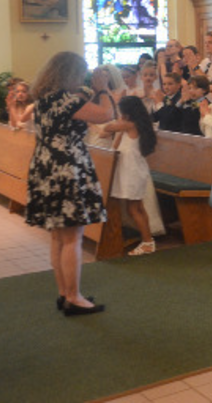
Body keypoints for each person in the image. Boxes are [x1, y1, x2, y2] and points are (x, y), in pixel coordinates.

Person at [25, 51, 117, 316]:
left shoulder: (44, 99)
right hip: (67, 169)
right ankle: (74, 298)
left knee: (58, 235)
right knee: (72, 237)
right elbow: (105, 114)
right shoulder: (67, 100)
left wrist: (92, 92)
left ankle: (64, 293)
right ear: (71, 74)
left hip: (46, 168)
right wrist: (103, 88)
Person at [102, 96, 159, 256]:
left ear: (127, 113)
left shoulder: (130, 124)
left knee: (134, 209)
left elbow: (107, 128)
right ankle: (148, 241)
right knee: (138, 207)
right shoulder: (135, 124)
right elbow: (113, 141)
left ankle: (147, 242)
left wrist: (120, 121)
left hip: (133, 172)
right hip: (134, 170)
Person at [85, 65, 122, 147]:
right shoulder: (94, 95)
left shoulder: (115, 94)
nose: (102, 78)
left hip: (104, 138)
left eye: (105, 76)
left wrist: (104, 88)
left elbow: (114, 105)